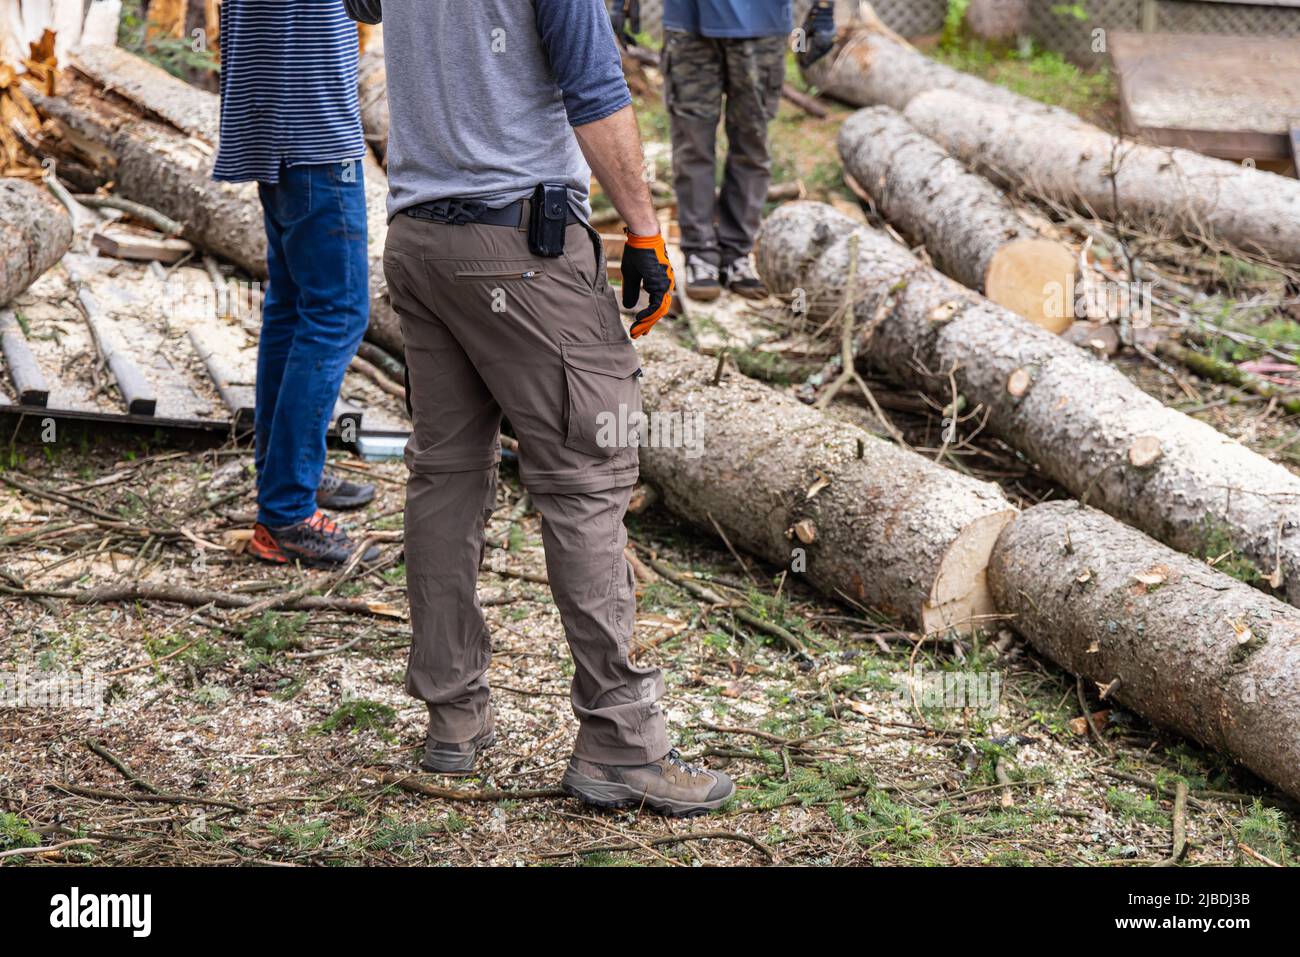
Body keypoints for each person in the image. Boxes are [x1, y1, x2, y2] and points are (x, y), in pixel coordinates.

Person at [344, 0, 736, 817]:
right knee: (587, 480)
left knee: (445, 477)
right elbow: (595, 92)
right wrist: (644, 231)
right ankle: (624, 743)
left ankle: (452, 718)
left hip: (420, 239)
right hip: (519, 245)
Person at [213, 0, 378, 568]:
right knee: (337, 314)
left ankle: (286, 471)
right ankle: (286, 510)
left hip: (275, 129)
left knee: (293, 310)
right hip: (314, 132)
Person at [659, 0, 834, 300]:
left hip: (761, 25)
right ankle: (700, 255)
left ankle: (736, 255)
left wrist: (825, 9)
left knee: (751, 143)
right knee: (692, 144)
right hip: (688, 23)